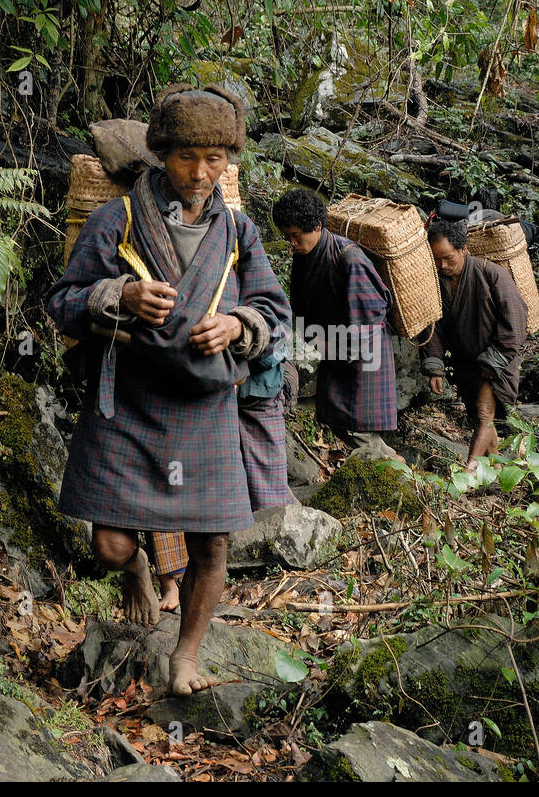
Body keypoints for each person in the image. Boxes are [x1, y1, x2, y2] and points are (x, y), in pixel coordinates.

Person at [46, 83, 290, 696]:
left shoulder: (238, 231)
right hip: (128, 401)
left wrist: (238, 324)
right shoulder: (118, 219)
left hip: (206, 406)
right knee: (108, 543)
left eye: (216, 159)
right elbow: (62, 301)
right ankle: (137, 575)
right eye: (188, 157)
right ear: (161, 154)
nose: (202, 172)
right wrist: (119, 295)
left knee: (213, 544)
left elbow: (274, 311)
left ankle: (186, 655)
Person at [152, 332, 298, 612]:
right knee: (172, 476)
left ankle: (266, 553)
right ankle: (173, 582)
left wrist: (236, 353)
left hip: (255, 385)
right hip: (192, 384)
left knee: (270, 500)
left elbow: (273, 330)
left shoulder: (260, 299)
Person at [273, 188, 401, 462]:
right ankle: (397, 470)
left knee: (361, 430)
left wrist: (336, 345)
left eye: (297, 235)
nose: (292, 243)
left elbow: (370, 314)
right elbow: (301, 305)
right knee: (338, 418)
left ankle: (393, 479)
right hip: (332, 345)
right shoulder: (304, 257)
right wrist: (310, 339)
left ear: (317, 226)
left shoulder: (349, 258)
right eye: (288, 237)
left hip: (365, 353)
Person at [422, 217, 528, 471]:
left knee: (484, 416)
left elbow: (516, 318)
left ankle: (467, 474)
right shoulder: (438, 285)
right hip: (465, 367)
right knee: (482, 421)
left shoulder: (491, 274)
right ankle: (499, 475)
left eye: (448, 258)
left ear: (463, 250)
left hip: (495, 366)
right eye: (436, 259)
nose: (443, 265)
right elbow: (432, 326)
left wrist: (495, 359)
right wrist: (435, 366)